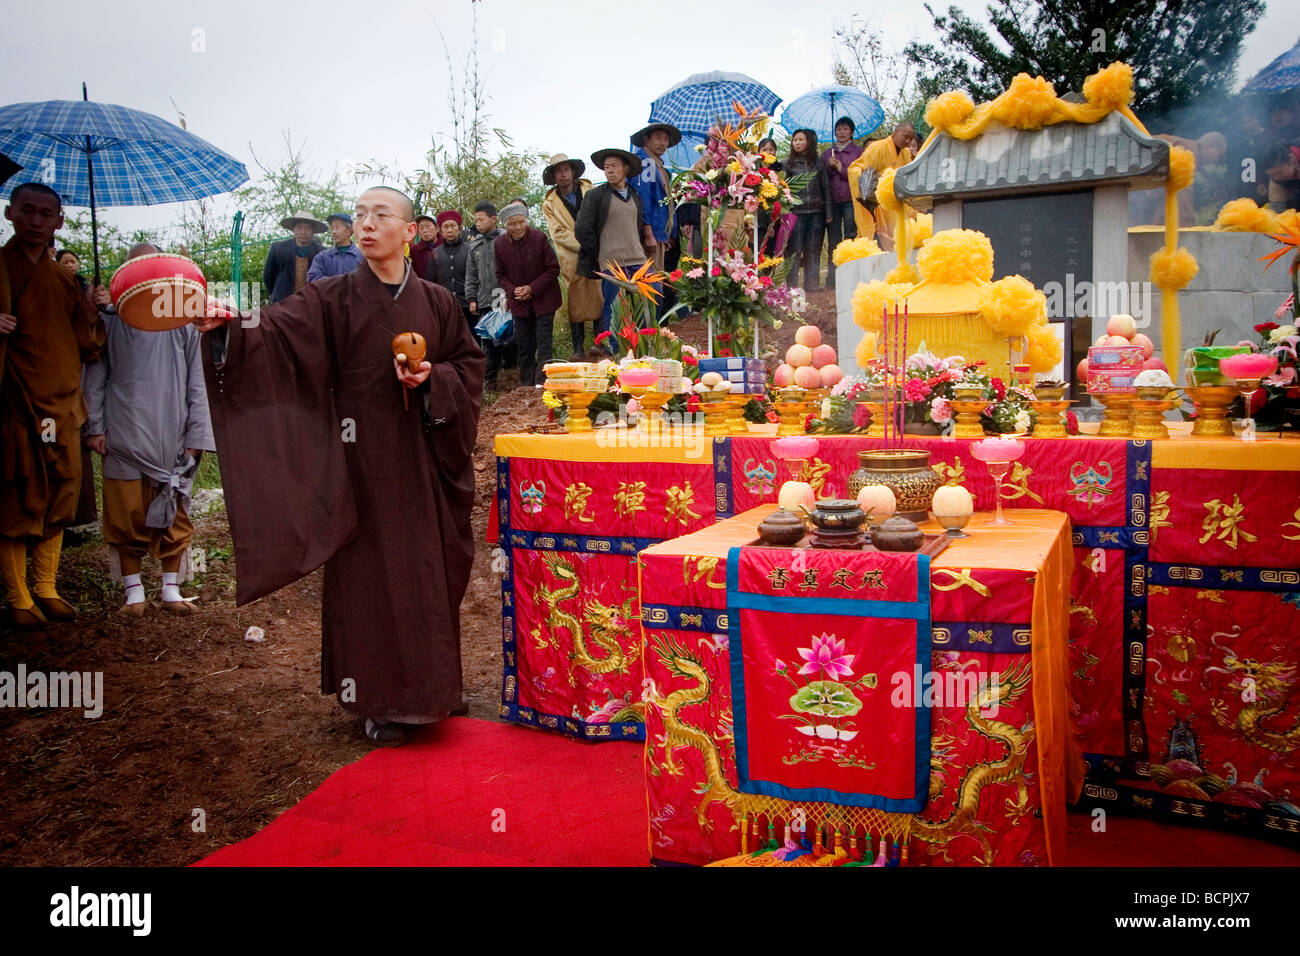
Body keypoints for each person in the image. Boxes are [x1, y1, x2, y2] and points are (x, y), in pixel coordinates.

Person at [194, 186, 484, 747]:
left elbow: (468, 365)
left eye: (381, 215)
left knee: (428, 568)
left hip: (422, 459)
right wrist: (230, 328)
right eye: (359, 215)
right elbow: (275, 332)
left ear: (407, 230)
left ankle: (431, 692)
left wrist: (434, 381)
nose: (366, 224)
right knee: (370, 578)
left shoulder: (439, 301)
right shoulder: (330, 296)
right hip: (359, 459)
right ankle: (377, 699)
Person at [83, 243, 214, 617]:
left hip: (172, 432)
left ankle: (171, 589)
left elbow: (198, 383)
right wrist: (95, 427)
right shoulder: (110, 320)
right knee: (125, 514)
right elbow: (95, 376)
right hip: (123, 432)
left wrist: (196, 435)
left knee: (175, 511)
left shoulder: (183, 321)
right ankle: (133, 592)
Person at [0, 182, 105, 629]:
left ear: (60, 221)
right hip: (18, 404)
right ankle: (18, 594)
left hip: (60, 409)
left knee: (60, 490)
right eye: (28, 211)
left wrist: (93, 307)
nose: (37, 221)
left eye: (47, 214)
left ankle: (46, 586)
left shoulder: (64, 279)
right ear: (10, 214)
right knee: (18, 493)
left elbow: (88, 346)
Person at [575, 147, 653, 337]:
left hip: (638, 259)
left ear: (625, 168)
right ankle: (615, 349)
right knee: (615, 307)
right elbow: (582, 230)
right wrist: (600, 252)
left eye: (614, 166)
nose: (609, 170)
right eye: (606, 167)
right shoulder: (596, 195)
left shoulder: (634, 194)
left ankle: (644, 344)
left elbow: (636, 226)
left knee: (650, 299)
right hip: (612, 263)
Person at [540, 153, 603, 355]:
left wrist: (594, 244)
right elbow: (557, 232)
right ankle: (578, 348)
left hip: (596, 251)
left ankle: (601, 342)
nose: (563, 175)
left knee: (599, 294)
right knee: (576, 298)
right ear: (553, 176)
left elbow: (601, 219)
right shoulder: (549, 203)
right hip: (572, 254)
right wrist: (585, 244)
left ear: (573, 171)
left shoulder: (590, 190)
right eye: (558, 171)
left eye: (566, 170)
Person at [494, 201, 560, 388]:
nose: (518, 227)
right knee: (524, 344)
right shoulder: (500, 244)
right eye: (512, 224)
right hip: (519, 303)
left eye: (521, 222)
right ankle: (525, 384)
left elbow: (553, 269)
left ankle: (543, 383)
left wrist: (531, 288)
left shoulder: (538, 238)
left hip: (544, 300)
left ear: (526, 221)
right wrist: (513, 290)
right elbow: (500, 274)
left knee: (544, 342)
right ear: (505, 226)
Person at [631, 122, 681, 317]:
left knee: (658, 282)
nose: (663, 143)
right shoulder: (645, 163)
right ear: (646, 140)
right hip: (649, 235)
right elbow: (643, 199)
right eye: (659, 138)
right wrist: (648, 231)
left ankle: (655, 328)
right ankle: (647, 330)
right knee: (651, 284)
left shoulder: (660, 166)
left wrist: (669, 234)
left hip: (661, 234)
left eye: (666, 139)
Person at [465, 200, 512, 390]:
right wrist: (471, 298)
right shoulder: (474, 244)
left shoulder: (505, 239)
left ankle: (511, 376)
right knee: (488, 342)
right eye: (476, 220)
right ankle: (489, 380)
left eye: (481, 219)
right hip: (484, 299)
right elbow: (471, 274)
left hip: (504, 297)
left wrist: (511, 293)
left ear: (493, 219)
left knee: (509, 338)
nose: (478, 223)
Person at [849, 121, 915, 248]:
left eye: (911, 138)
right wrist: (873, 183)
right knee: (876, 242)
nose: (908, 141)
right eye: (906, 136)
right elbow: (855, 168)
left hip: (894, 206)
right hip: (876, 204)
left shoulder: (906, 153)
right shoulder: (878, 147)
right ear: (896, 133)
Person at [819, 117, 864, 287]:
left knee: (851, 236)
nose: (842, 132)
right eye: (838, 129)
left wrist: (841, 169)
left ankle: (850, 277)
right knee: (834, 240)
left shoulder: (858, 153)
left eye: (845, 129)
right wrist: (829, 167)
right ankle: (832, 279)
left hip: (851, 200)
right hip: (832, 202)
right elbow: (822, 179)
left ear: (851, 132)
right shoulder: (827, 154)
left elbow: (859, 175)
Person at [784, 129, 829, 291]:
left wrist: (829, 212)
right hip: (796, 212)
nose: (797, 143)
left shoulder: (818, 163)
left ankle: (812, 285)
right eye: (795, 140)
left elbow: (826, 188)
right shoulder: (787, 163)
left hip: (816, 212)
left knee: (813, 250)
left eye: (800, 140)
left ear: (808, 142)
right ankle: (792, 287)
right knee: (794, 250)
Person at [263, 211, 326, 303]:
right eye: (299, 228)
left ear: (313, 231)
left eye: (307, 228)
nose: (303, 232)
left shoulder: (321, 252)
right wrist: (276, 294)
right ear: (293, 229)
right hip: (283, 303)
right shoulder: (278, 249)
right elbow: (268, 276)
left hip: (311, 303)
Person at [427, 210, 473, 329]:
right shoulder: (435, 254)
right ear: (441, 231)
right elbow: (431, 282)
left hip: (468, 306)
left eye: (453, 226)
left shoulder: (470, 250)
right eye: (445, 227)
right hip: (445, 307)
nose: (450, 230)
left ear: (459, 228)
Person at [306, 212, 363, 281]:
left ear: (349, 231)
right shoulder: (322, 257)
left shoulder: (362, 257)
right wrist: (337, 284)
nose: (333, 231)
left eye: (337, 227)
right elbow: (312, 277)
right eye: (332, 228)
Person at [410, 213, 441, 283]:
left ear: (437, 228)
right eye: (421, 228)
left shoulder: (447, 246)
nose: (425, 230)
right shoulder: (414, 250)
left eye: (428, 226)